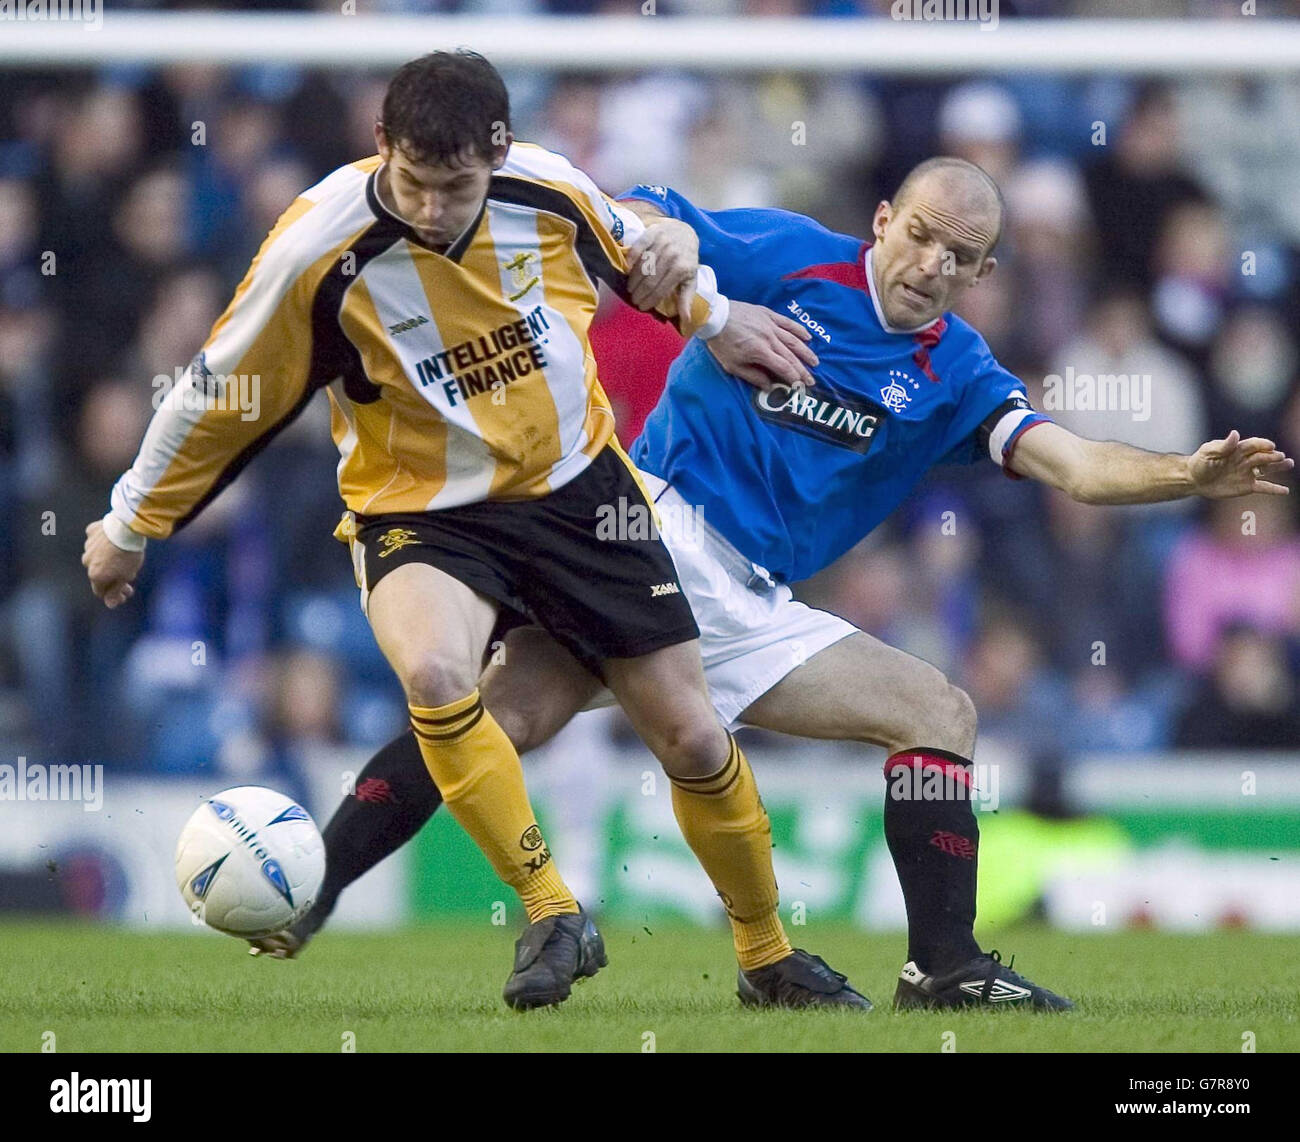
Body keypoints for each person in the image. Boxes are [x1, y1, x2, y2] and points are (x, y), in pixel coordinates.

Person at [247, 155, 1292, 1012]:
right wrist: (695, 265)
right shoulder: (794, 256)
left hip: (749, 595)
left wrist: (1182, 475)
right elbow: (645, 213)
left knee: (927, 711)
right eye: (920, 234)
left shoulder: (956, 371)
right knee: (524, 714)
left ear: (979, 275)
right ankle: (327, 880)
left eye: (959, 256)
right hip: (650, 524)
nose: (929, 263)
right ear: (883, 218)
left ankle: (931, 965)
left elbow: (1065, 462)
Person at [81, 51, 869, 1013]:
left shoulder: (548, 188)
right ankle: (549, 907)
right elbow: (219, 389)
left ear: (499, 153)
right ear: (381, 146)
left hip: (579, 493)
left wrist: (711, 315)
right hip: (418, 507)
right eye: (412, 181)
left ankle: (766, 955)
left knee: (694, 737)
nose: (433, 207)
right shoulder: (318, 245)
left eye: (456, 187)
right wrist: (131, 519)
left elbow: (641, 256)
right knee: (438, 676)